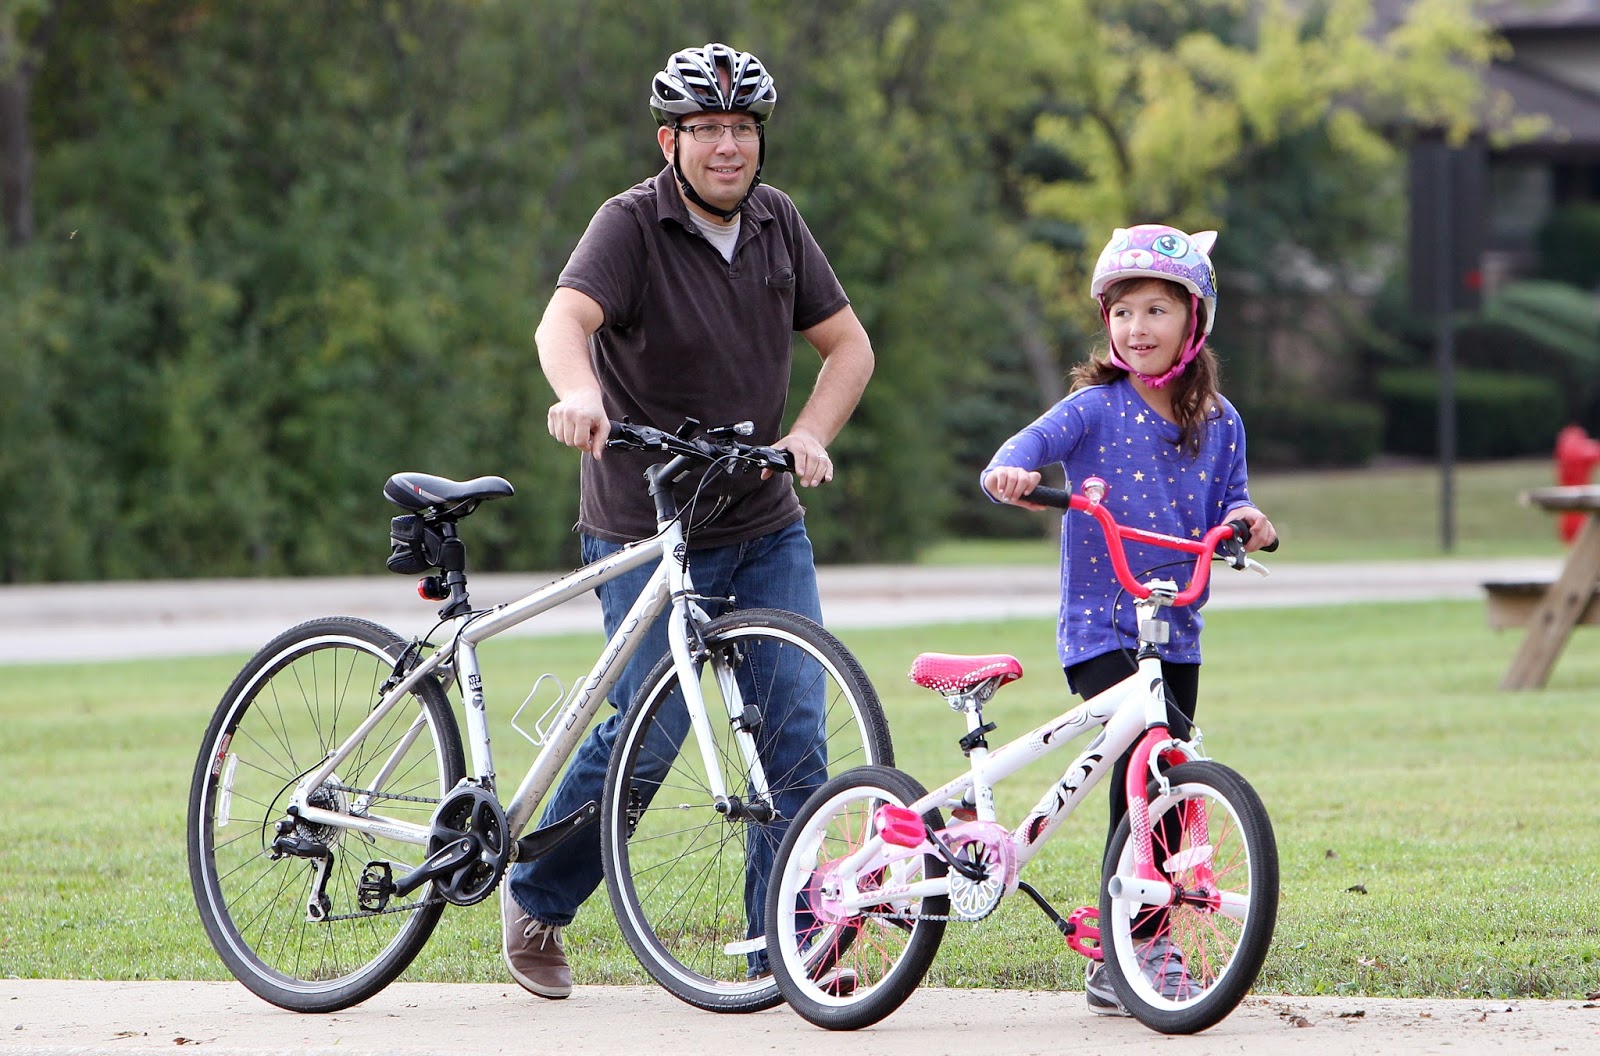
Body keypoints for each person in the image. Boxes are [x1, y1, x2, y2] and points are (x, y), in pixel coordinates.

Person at [501, 42, 875, 1000]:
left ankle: (780, 945)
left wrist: (810, 434)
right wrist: (579, 394)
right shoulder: (628, 224)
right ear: (671, 140)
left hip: (761, 518)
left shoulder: (778, 223)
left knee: (795, 728)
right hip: (644, 519)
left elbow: (848, 347)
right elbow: (563, 321)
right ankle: (539, 893)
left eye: (742, 128)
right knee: (651, 726)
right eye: (706, 129)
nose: (726, 147)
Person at [981, 223, 1275, 1016]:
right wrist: (1012, 469)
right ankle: (1140, 943)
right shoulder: (1093, 409)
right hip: (1101, 625)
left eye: (1155, 311)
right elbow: (1029, 443)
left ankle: (1123, 950)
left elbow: (1232, 498)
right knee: (1149, 774)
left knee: (1163, 780)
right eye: (1122, 313)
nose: (1136, 329)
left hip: (1175, 627)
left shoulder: (1220, 422)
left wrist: (1249, 521)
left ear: (1194, 323)